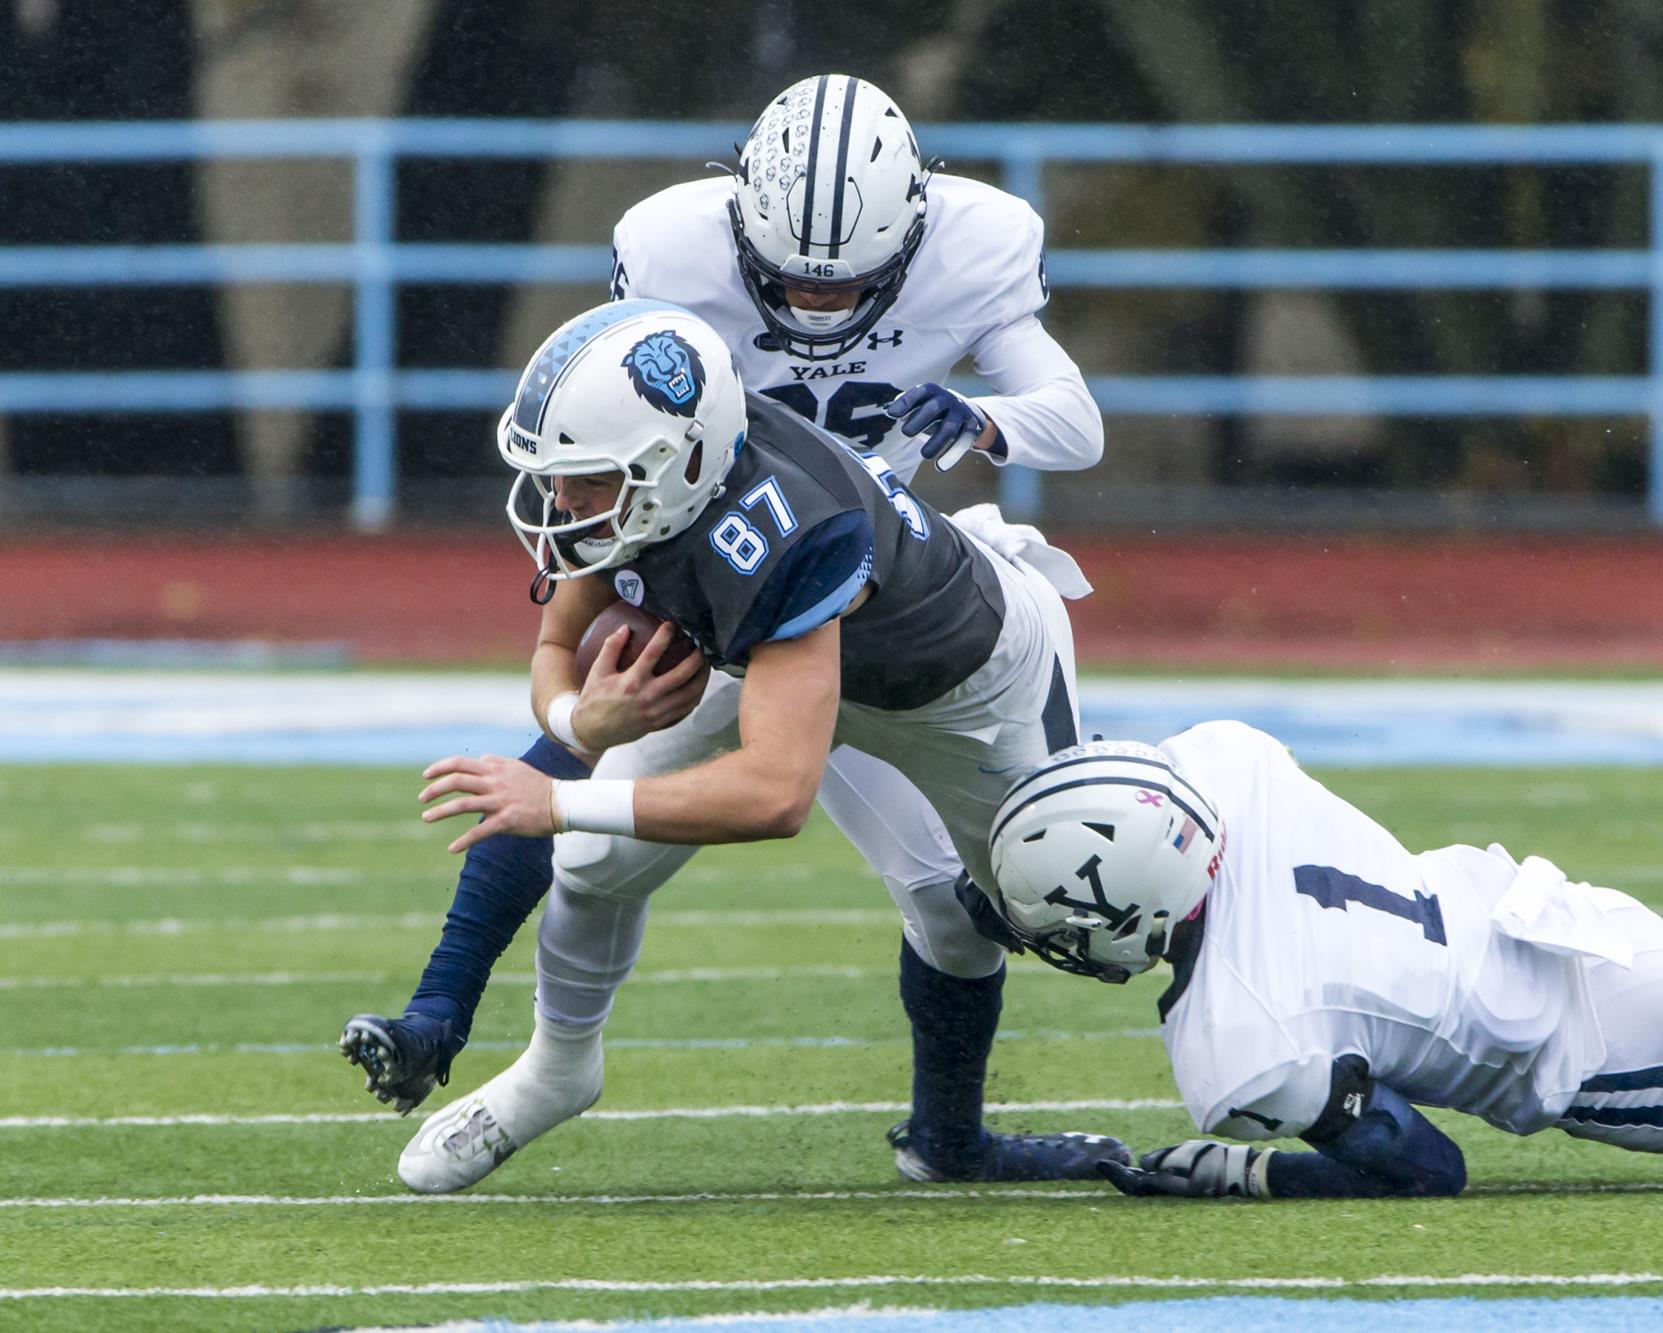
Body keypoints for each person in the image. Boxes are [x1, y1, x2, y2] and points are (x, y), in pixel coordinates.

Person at [340, 72, 1107, 1186]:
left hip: (929, 652)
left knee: (1014, 909)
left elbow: (769, 794)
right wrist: (577, 723)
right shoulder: (644, 472)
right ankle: (551, 1067)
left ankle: (1017, 1114)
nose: (813, 306)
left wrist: (986, 418)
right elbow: (558, 672)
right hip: (758, 568)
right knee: (595, 864)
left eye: (581, 482)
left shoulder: (754, 512)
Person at [963, 722, 1663, 1200]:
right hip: (1558, 921)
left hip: (1603, 1049)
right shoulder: (1225, 763)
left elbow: (1430, 1169)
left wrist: (1253, 1172)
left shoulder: (1235, 1043)